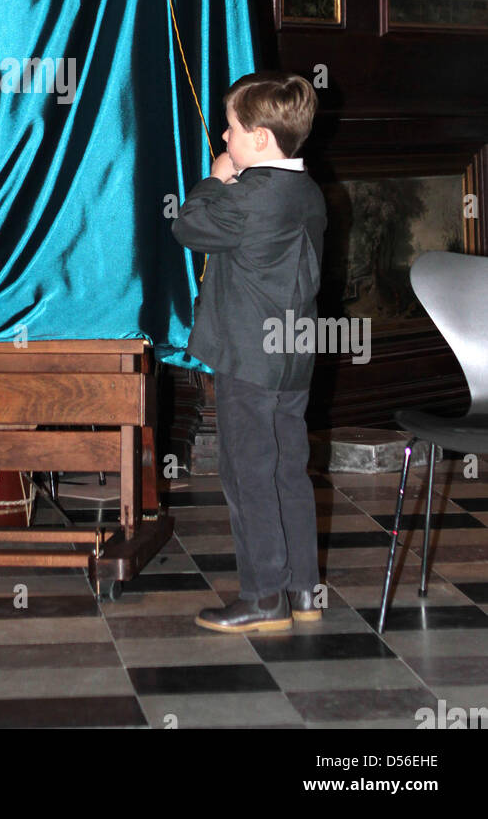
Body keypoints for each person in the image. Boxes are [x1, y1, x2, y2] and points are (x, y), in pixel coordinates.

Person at [171, 72, 327, 634]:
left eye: (232, 128)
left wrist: (215, 180)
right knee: (288, 469)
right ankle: (304, 590)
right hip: (293, 355)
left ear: (260, 138)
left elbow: (189, 226)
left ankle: (263, 597)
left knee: (247, 474)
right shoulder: (306, 189)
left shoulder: (249, 197)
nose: (224, 137)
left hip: (250, 359)